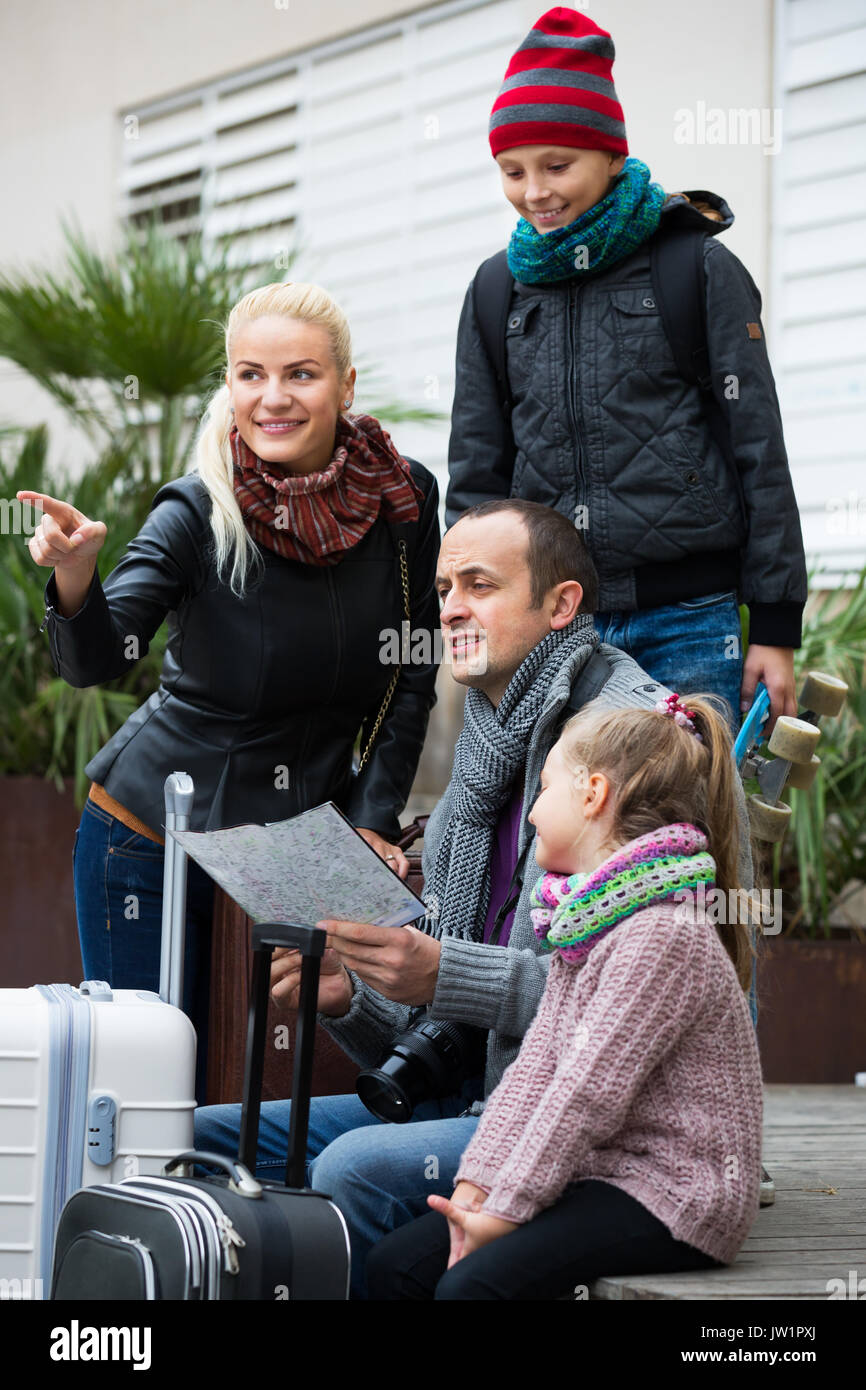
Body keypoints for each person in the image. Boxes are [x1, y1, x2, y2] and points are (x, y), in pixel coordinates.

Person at [194, 499, 755, 1297]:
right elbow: (438, 1023)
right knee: (210, 1137)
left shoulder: (621, 747)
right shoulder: (485, 745)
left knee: (353, 1168)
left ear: (561, 605)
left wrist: (441, 973)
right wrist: (351, 997)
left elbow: (616, 1001)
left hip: (591, 1138)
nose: (451, 605)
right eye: (444, 584)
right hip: (474, 1100)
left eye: (480, 584)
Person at [19, 281, 440, 1100]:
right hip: (153, 837)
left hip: (298, 846)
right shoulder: (197, 509)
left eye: (301, 375)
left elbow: (413, 670)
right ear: (230, 386)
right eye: (250, 375)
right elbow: (98, 659)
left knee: (274, 1083)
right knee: (149, 1086)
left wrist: (372, 821)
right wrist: (76, 578)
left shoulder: (403, 500)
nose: (272, 398)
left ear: (346, 386)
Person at [446, 6, 808, 736]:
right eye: (513, 171)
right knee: (566, 844)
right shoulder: (495, 292)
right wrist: (476, 610)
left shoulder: (695, 266)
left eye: (558, 165)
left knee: (686, 838)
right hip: (554, 630)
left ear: (612, 157)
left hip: (692, 625)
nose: (535, 192)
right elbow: (477, 477)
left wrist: (775, 626)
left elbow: (758, 450)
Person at [365, 692, 763, 1300]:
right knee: (395, 1265)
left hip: (675, 1193)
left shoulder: (662, 933)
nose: (529, 815)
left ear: (593, 794)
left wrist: (506, 1211)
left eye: (544, 792)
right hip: (605, 1173)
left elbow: (586, 1093)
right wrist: (477, 1185)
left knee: (469, 1287)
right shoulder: (592, 926)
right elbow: (534, 1075)